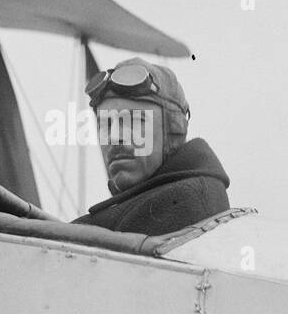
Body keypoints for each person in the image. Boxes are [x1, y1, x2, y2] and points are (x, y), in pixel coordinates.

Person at [72, 57, 230, 235]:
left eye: (134, 121)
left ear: (173, 129)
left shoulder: (188, 198)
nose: (115, 137)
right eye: (106, 125)